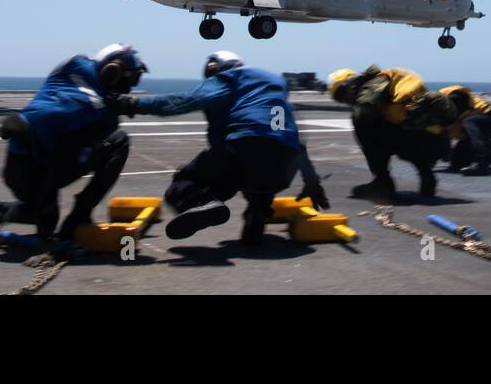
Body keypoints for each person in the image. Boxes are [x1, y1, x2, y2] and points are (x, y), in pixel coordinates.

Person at [0, 44, 146, 248]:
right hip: (36, 168)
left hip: (21, 168)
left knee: (37, 210)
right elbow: (53, 136)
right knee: (44, 213)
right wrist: (46, 242)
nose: (130, 88)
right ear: (113, 73)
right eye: (130, 81)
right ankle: (75, 214)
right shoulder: (87, 105)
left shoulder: (73, 70)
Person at [108, 50, 327, 245]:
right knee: (261, 173)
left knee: (184, 183)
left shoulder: (229, 79)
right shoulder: (273, 87)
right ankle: (255, 219)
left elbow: (182, 101)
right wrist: (312, 182)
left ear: (218, 67)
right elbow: (295, 141)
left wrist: (133, 103)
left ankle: (204, 203)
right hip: (283, 169)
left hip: (244, 150)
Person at [326, 66, 456, 202]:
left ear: (351, 84)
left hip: (420, 141)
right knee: (396, 126)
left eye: (341, 95)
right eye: (339, 99)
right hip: (434, 141)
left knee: (361, 123)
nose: (345, 101)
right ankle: (426, 175)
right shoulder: (393, 79)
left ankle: (382, 183)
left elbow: (364, 112)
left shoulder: (374, 85)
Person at [438, 85, 491, 174]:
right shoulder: (439, 109)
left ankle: (482, 160)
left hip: (487, 125)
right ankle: (479, 157)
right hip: (469, 134)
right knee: (456, 164)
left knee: (469, 122)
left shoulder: (467, 102)